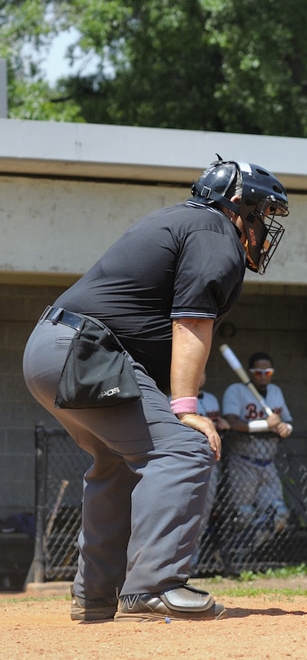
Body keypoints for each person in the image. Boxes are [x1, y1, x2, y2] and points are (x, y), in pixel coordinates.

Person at [22, 157, 289, 621]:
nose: (264, 226)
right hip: (84, 351)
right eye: (262, 212)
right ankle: (154, 587)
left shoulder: (182, 221)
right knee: (184, 448)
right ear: (238, 205)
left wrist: (180, 399)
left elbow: (175, 347)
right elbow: (190, 323)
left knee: (118, 462)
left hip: (54, 349)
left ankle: (96, 595)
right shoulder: (214, 231)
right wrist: (187, 410)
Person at [221, 351, 294, 556]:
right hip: (242, 461)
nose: (263, 376)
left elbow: (286, 421)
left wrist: (286, 429)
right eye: (258, 372)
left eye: (267, 372)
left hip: (268, 462)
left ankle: (242, 554)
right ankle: (227, 556)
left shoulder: (276, 391)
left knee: (278, 514)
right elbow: (232, 422)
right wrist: (265, 425)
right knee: (243, 515)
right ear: (251, 373)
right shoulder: (236, 390)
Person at [191, 369, 231, 571]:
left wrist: (220, 423)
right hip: (186, 461)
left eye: (203, 371)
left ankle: (192, 564)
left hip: (211, 461)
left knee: (203, 514)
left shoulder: (212, 400)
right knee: (183, 512)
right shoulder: (171, 398)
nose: (199, 375)